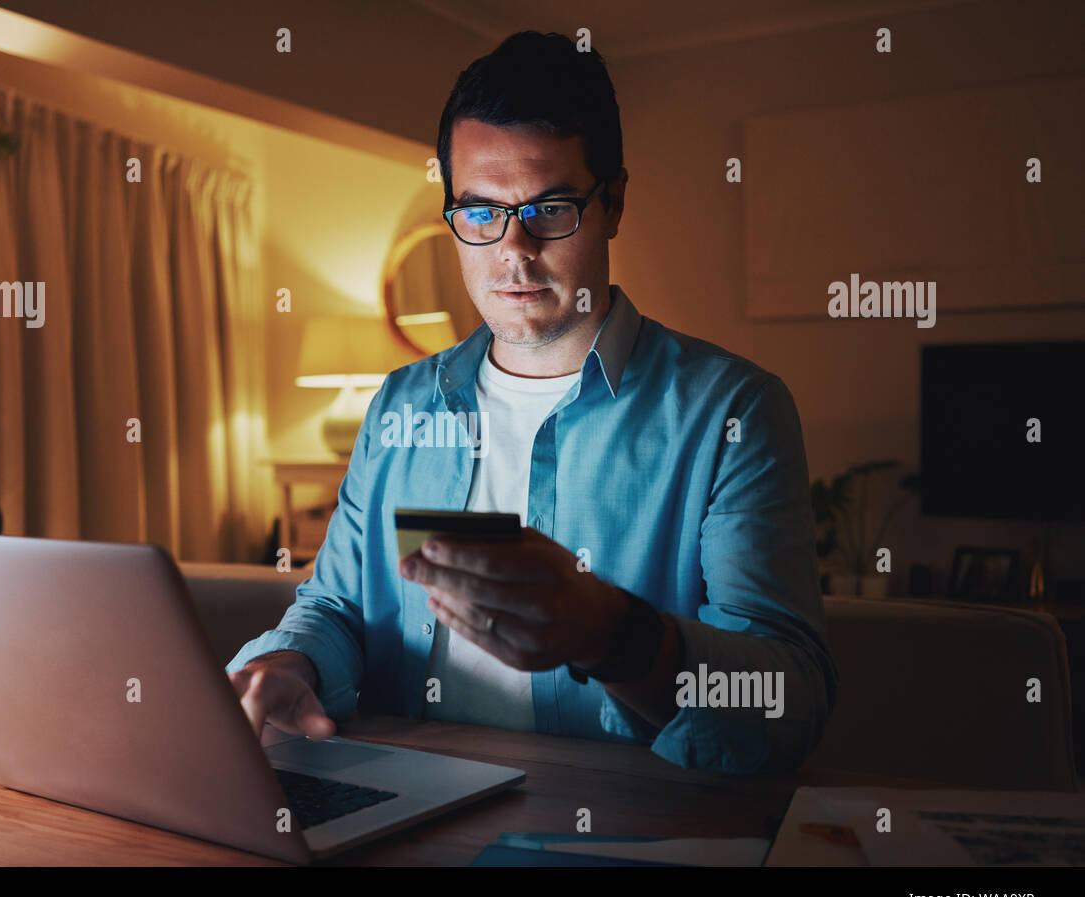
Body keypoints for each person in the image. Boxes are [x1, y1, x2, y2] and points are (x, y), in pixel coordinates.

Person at [226, 30, 837, 773]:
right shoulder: (400, 406)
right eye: (480, 212)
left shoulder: (733, 413)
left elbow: (785, 699)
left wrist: (617, 638)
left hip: (626, 833)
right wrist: (292, 664)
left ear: (613, 202)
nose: (512, 250)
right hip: (405, 819)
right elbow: (336, 608)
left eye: (549, 209)